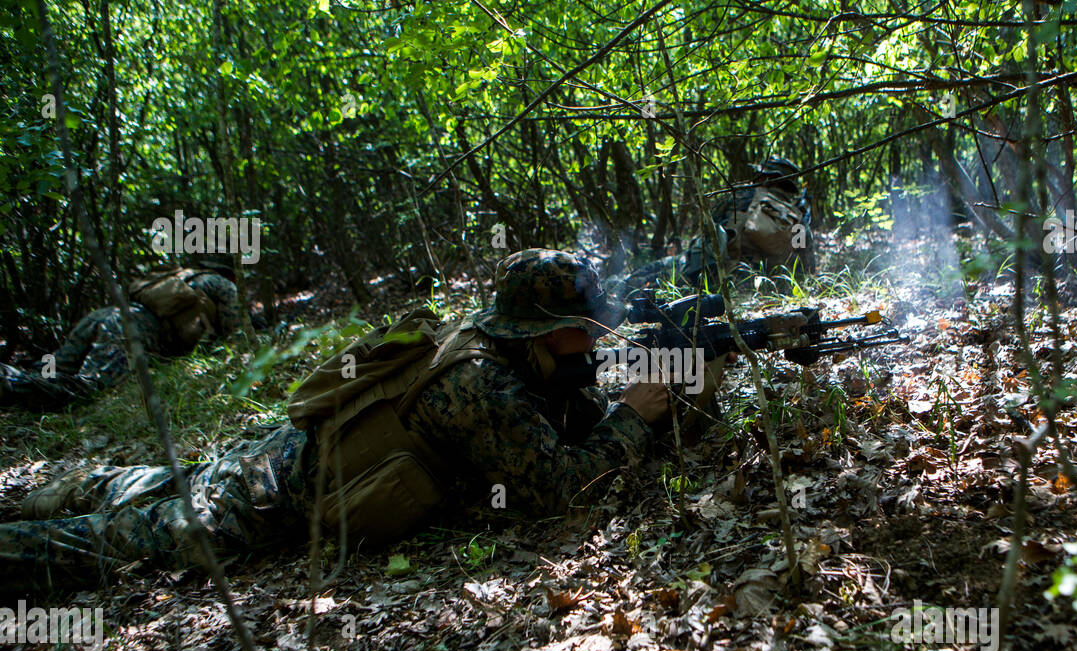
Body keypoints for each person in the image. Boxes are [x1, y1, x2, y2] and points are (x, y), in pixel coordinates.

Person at [0, 250, 678, 589]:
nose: (596, 338)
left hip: (269, 459)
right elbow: (559, 493)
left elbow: (558, 410)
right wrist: (635, 419)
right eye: (583, 328)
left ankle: (45, 493)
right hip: (265, 501)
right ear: (544, 330)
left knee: (159, 485)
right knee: (108, 543)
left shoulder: (492, 344)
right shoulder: (484, 384)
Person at [0, 262, 243, 411]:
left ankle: (26, 374)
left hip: (105, 316)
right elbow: (236, 335)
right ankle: (9, 381)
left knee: (55, 366)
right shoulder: (224, 285)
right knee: (87, 388)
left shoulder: (183, 275)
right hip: (127, 330)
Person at [616, 157, 815, 296]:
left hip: (715, 274)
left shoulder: (744, 196)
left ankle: (612, 290)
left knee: (641, 277)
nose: (754, 177)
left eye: (759, 174)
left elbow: (710, 231)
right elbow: (805, 269)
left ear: (767, 178)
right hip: (761, 286)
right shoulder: (798, 218)